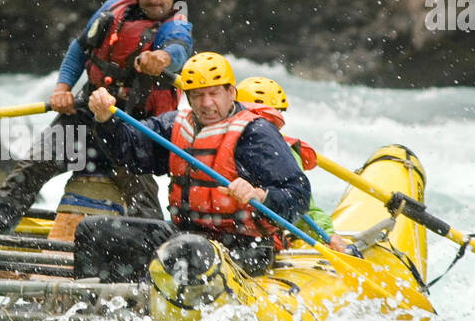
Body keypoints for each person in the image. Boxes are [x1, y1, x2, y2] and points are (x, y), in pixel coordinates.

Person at [0, 0, 195, 233]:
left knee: (141, 199)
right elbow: (79, 48)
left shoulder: (176, 26)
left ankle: (153, 248)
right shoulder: (112, 9)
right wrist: (62, 88)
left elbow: (179, 48)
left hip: (135, 127)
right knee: (30, 169)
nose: (154, 0)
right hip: (88, 112)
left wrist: (163, 59)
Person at [72, 53, 311, 282]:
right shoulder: (175, 125)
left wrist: (259, 195)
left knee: (186, 250)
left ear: (231, 93)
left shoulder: (256, 133)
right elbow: (128, 150)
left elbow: (299, 195)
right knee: (94, 230)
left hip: (245, 247)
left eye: (214, 93)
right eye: (197, 95)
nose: (206, 103)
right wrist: (104, 119)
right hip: (184, 236)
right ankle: (96, 308)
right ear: (187, 97)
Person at [236, 76, 355, 254]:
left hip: (254, 244)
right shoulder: (217, 144)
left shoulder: (282, 153)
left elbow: (302, 208)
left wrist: (328, 235)